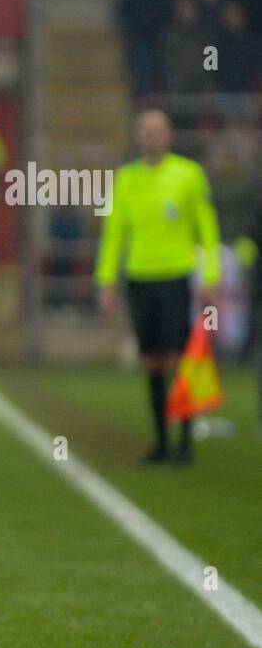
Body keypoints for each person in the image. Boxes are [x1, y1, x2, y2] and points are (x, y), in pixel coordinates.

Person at [96, 110, 221, 464]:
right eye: (145, 131)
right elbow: (114, 233)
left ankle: (184, 442)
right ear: (138, 136)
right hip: (139, 278)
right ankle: (161, 442)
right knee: (151, 361)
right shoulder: (126, 179)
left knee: (178, 359)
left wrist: (209, 275)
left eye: (157, 130)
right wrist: (105, 281)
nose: (151, 136)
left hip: (175, 277)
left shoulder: (188, 175)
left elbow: (207, 229)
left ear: (168, 136)